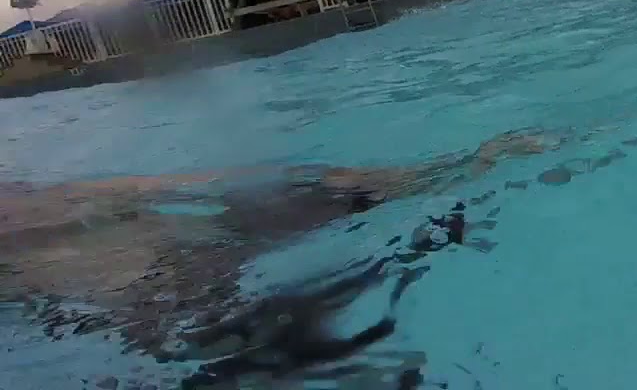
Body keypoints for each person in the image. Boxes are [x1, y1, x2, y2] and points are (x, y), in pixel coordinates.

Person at [0, 128, 565, 383]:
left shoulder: (68, 202)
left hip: (158, 310)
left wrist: (437, 172)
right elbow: (218, 186)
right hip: (169, 303)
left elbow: (216, 185)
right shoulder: (63, 202)